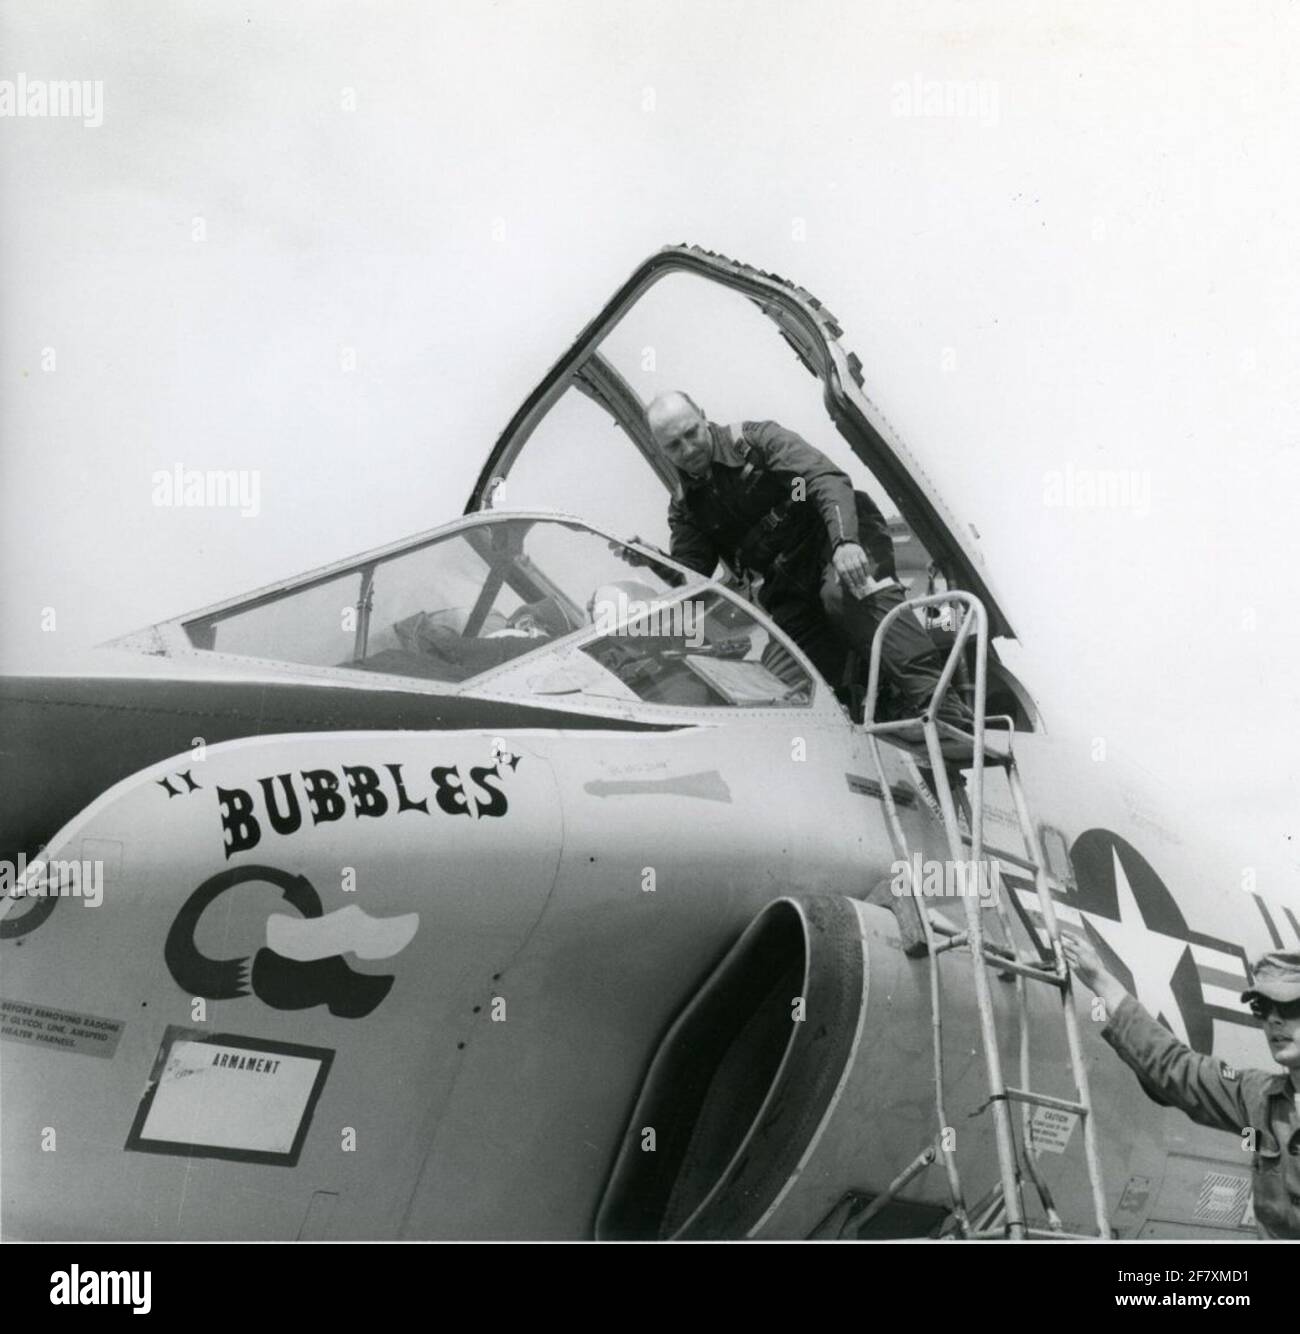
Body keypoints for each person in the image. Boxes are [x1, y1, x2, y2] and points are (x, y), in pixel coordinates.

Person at [643, 390, 973, 739]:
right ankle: (859, 713)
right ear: (663, 449)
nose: (689, 449)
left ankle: (938, 704)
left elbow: (821, 479)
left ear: (704, 417)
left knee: (844, 592)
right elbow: (693, 575)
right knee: (780, 685)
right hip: (789, 584)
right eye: (674, 445)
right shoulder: (686, 507)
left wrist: (844, 541)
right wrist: (655, 562)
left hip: (832, 541)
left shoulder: (755, 441)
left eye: (691, 433)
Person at [1063, 934, 1300, 1239]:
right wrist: (1100, 980)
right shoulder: (1259, 1099)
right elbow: (1177, 1067)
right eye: (1263, 1008)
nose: (1274, 1021)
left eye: (1289, 1007)